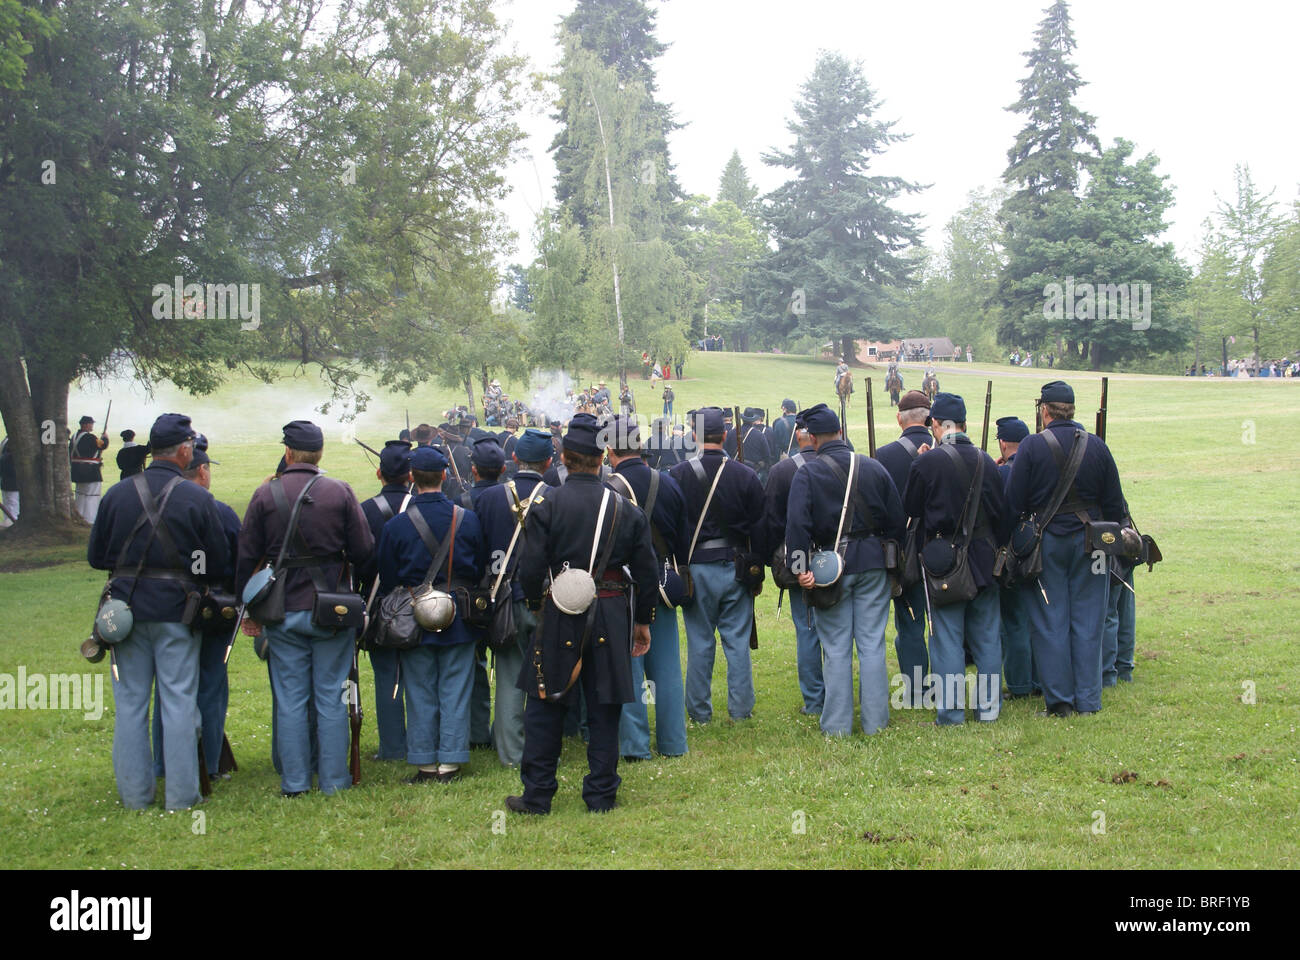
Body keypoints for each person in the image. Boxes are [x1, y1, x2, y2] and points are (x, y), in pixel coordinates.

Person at [505, 413, 658, 815]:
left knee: (544, 703)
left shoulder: (546, 503)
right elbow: (646, 571)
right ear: (601, 457)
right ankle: (601, 795)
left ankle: (538, 795)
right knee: (604, 706)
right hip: (611, 610)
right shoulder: (628, 509)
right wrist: (642, 620)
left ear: (564, 456)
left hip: (560, 609)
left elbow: (531, 568)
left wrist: (539, 605)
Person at [87, 413, 229, 810]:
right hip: (177, 612)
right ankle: (182, 797)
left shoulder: (116, 494)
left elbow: (97, 556)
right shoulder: (198, 498)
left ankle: (135, 796)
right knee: (180, 701)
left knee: (131, 704)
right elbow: (216, 562)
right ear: (185, 450)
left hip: (125, 610)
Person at [236, 420, 374, 796]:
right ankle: (333, 781)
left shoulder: (265, 494)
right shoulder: (340, 491)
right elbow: (364, 550)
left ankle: (295, 782)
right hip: (331, 608)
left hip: (281, 609)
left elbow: (246, 554)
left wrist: (246, 608)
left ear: (288, 453)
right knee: (332, 696)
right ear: (319, 454)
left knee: (291, 699)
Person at [1006, 381, 1126, 718]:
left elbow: (1014, 501)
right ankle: (1088, 700)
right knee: (1089, 622)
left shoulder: (1031, 447)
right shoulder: (1098, 446)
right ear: (1071, 409)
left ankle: (1059, 701)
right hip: (1093, 546)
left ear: (1044, 410)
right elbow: (1115, 506)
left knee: (1049, 622)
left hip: (1048, 544)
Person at [787, 404, 904, 736]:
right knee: (872, 644)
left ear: (812, 437)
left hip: (829, 567)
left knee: (836, 648)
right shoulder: (873, 466)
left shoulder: (807, 473)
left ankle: (837, 726)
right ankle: (876, 723)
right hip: (872, 561)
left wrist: (799, 568)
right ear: (839, 431)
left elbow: (796, 526)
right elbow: (896, 521)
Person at [376, 445, 487, 783]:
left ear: (412, 478)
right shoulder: (467, 519)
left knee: (420, 688)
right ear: (444, 476)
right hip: (457, 612)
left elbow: (389, 573)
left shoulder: (395, 525)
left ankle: (426, 761)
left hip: (413, 612)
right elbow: (478, 564)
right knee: (455, 688)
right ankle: (450, 761)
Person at [903, 393, 1011, 726]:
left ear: (936, 424)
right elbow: (1002, 516)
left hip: (943, 561)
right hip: (983, 559)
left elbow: (910, 509)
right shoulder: (985, 461)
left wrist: (918, 465)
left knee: (946, 638)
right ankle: (988, 709)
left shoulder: (926, 462)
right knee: (988, 637)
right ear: (963, 424)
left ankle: (951, 713)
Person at [150, 439, 242, 781]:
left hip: (167, 606)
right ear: (202, 472)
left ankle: (164, 764)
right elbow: (234, 561)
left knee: (170, 689)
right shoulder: (219, 511)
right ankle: (210, 764)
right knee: (211, 687)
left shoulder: (156, 503)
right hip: (213, 608)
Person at [668, 407, 766, 723]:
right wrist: (757, 568)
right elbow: (759, 527)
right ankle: (740, 711)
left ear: (694, 436)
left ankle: (699, 712)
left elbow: (672, 526)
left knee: (699, 642)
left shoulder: (678, 474)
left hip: (696, 569)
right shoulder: (746, 475)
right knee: (737, 643)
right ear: (723, 435)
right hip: (737, 566)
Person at [604, 414, 689, 761]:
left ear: (610, 451)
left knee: (628, 665)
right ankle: (673, 742)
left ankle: (636, 747)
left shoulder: (607, 489)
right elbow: (682, 538)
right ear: (640, 446)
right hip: (662, 581)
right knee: (666, 666)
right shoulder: (668, 483)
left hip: (621, 584)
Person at [474, 428, 553, 767]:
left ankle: (510, 753)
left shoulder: (488, 498)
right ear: (548, 462)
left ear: (515, 459)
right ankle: (543, 746)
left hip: (501, 598)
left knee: (508, 676)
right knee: (545, 675)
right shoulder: (554, 495)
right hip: (546, 598)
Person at [873, 390, 934, 707]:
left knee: (910, 623)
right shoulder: (949, 447)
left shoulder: (883, 455)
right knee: (944, 624)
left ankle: (917, 690)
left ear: (900, 418)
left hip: (904, 551)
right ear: (931, 419)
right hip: (950, 552)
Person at [356, 440, 414, 761]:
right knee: (419, 677)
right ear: (411, 475)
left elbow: (361, 559)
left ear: (379, 473)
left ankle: (392, 748)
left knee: (385, 676)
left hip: (378, 603)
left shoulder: (365, 510)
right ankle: (419, 743)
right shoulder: (425, 504)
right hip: (420, 602)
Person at [762, 415, 824, 714]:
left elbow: (773, 525)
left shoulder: (782, 470)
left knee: (808, 630)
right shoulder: (842, 464)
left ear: (800, 436)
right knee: (837, 632)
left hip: (799, 561)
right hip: (837, 560)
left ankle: (815, 701)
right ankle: (832, 697)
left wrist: (790, 565)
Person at [463, 437, 506, 749]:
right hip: (504, 587)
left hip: (472, 590)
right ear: (503, 469)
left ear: (473, 469)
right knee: (507, 663)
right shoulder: (510, 498)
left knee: (474, 662)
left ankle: (477, 732)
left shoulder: (462, 500)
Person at [993, 417, 1038, 699]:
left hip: (1013, 551)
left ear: (1003, 443)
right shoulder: (1040, 464)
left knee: (1013, 620)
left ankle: (1021, 684)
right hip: (1040, 547)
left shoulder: (1003, 473)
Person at [70, 414, 110, 522]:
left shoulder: (74, 437)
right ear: (86, 425)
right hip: (91, 472)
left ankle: (80, 517)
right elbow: (102, 445)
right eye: (91, 423)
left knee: (80, 495)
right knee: (92, 495)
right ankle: (90, 519)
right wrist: (105, 438)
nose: (92, 426)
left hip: (77, 471)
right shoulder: (91, 437)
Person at [0, 436, 18, 527]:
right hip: (11, 485)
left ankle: (9, 524)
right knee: (11, 507)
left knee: (10, 506)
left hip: (9, 485)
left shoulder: (5, 457)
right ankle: (10, 525)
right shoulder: (7, 458)